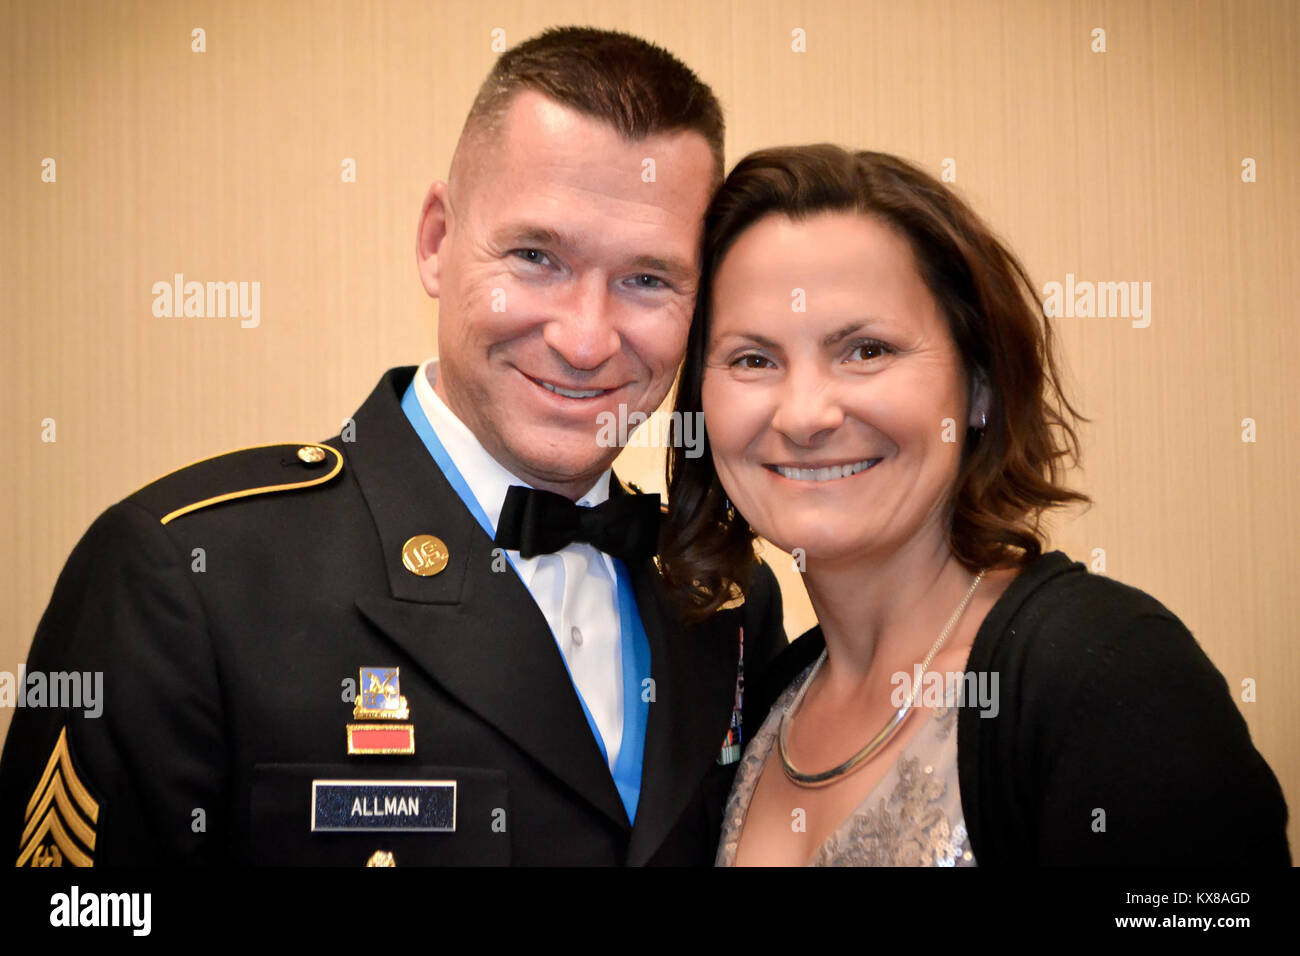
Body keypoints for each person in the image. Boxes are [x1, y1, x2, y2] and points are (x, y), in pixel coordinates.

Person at [0, 27, 786, 867]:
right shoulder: (184, 575)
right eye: (535, 256)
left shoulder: (727, 598)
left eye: (647, 279)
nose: (587, 338)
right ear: (437, 241)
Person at [660, 144, 1291, 866]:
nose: (804, 415)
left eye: (865, 350)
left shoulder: (1107, 678)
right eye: (753, 359)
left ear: (980, 388)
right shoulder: (759, 706)